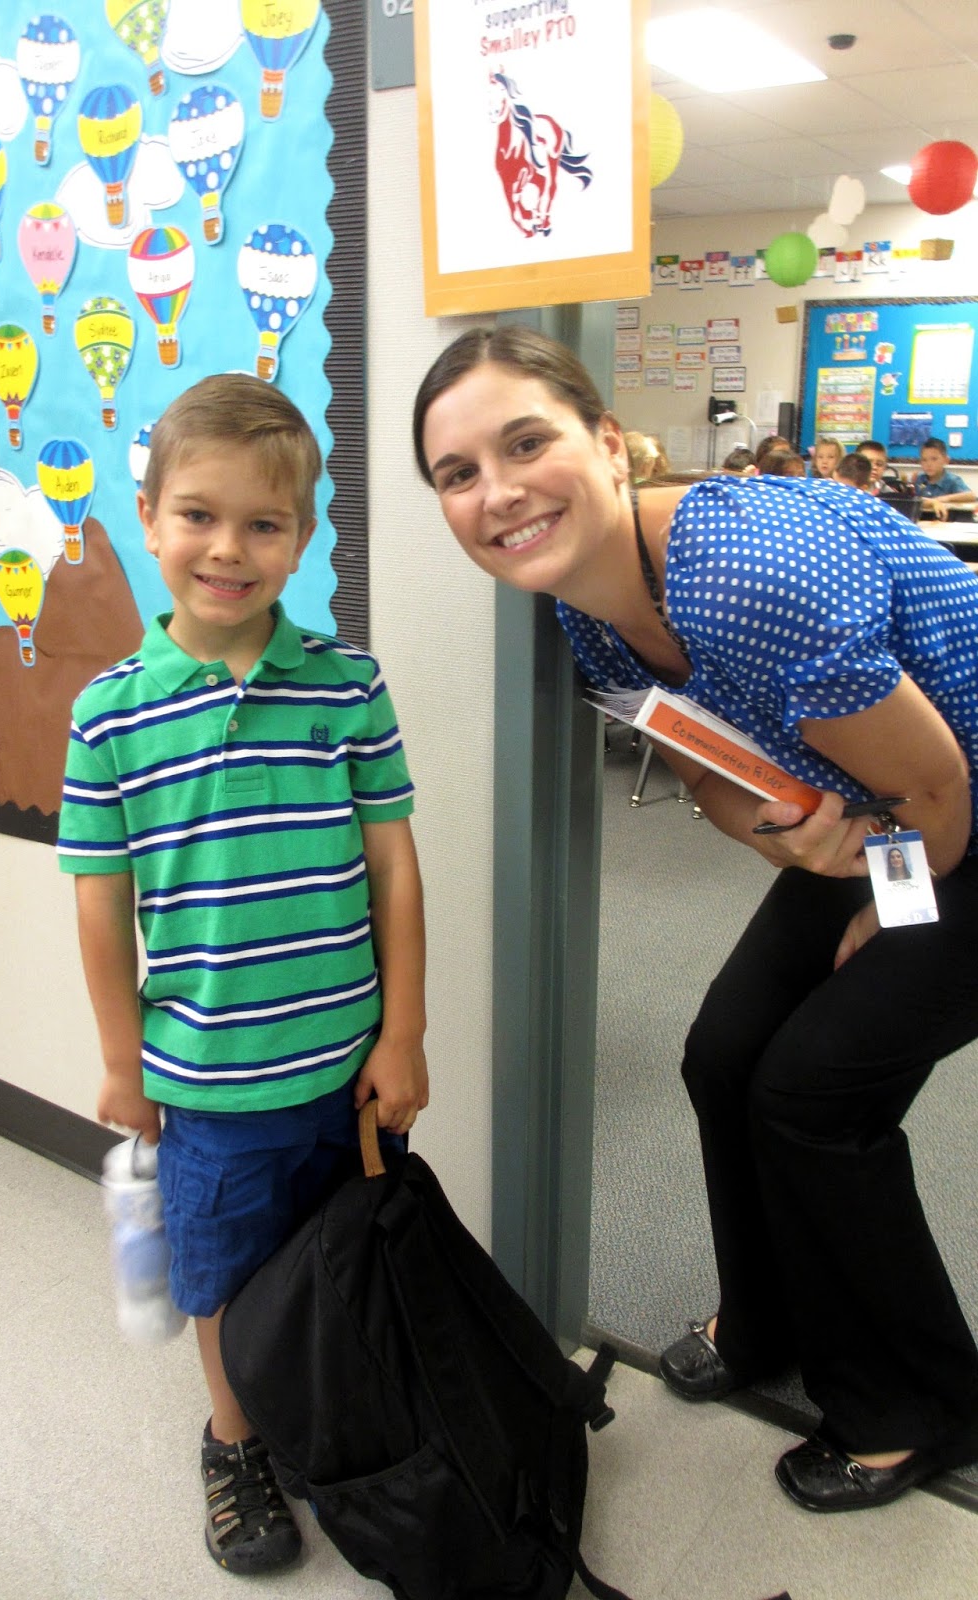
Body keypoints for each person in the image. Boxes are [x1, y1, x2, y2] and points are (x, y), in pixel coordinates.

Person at [412, 324, 978, 1515]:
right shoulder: (585, 604)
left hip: (954, 805)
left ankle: (917, 1407)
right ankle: (766, 1321)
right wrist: (788, 833)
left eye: (527, 443)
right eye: (458, 473)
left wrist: (887, 907)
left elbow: (934, 789)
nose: (498, 492)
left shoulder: (746, 572)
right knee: (722, 1053)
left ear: (608, 445)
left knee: (814, 1095)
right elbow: (712, 776)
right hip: (887, 807)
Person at [58, 374, 428, 1573]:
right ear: (152, 515)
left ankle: (329, 1410)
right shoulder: (108, 714)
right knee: (221, 1276)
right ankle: (233, 1440)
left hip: (345, 1069)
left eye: (264, 524)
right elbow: (101, 905)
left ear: (304, 537)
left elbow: (394, 870)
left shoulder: (347, 686)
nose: (229, 548)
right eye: (199, 516)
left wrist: (405, 1031)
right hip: (209, 1089)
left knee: (342, 1255)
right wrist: (123, 1060)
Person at [914, 437, 977, 517]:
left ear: (946, 460)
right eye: (924, 460)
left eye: (934, 459)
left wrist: (943, 499)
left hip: (946, 520)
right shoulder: (920, 479)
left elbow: (971, 496)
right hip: (924, 519)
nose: (928, 464)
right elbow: (916, 500)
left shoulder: (952, 480)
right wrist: (933, 502)